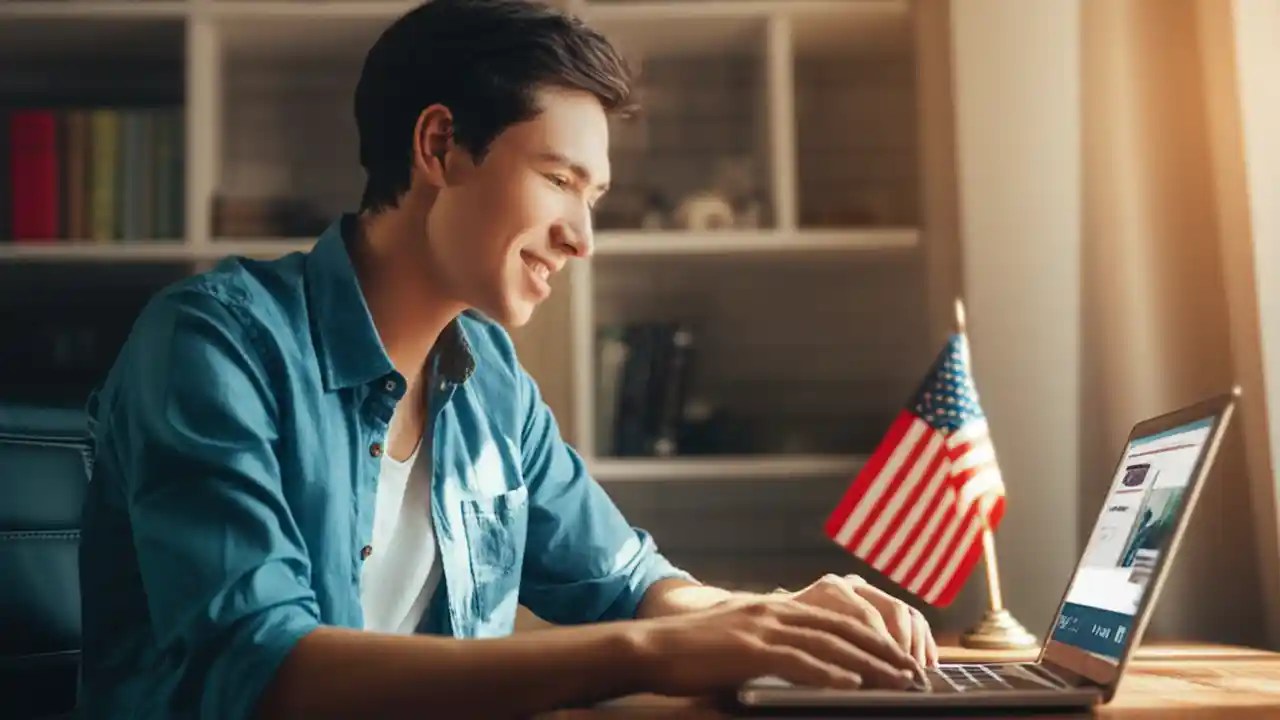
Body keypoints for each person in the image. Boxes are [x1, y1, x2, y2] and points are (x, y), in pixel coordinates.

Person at [77, 1, 938, 717]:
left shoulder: (487, 377)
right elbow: (268, 670)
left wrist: (784, 618)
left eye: (593, 197)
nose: (582, 237)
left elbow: (629, 581)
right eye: (561, 179)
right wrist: (652, 651)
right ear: (441, 146)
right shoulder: (211, 344)